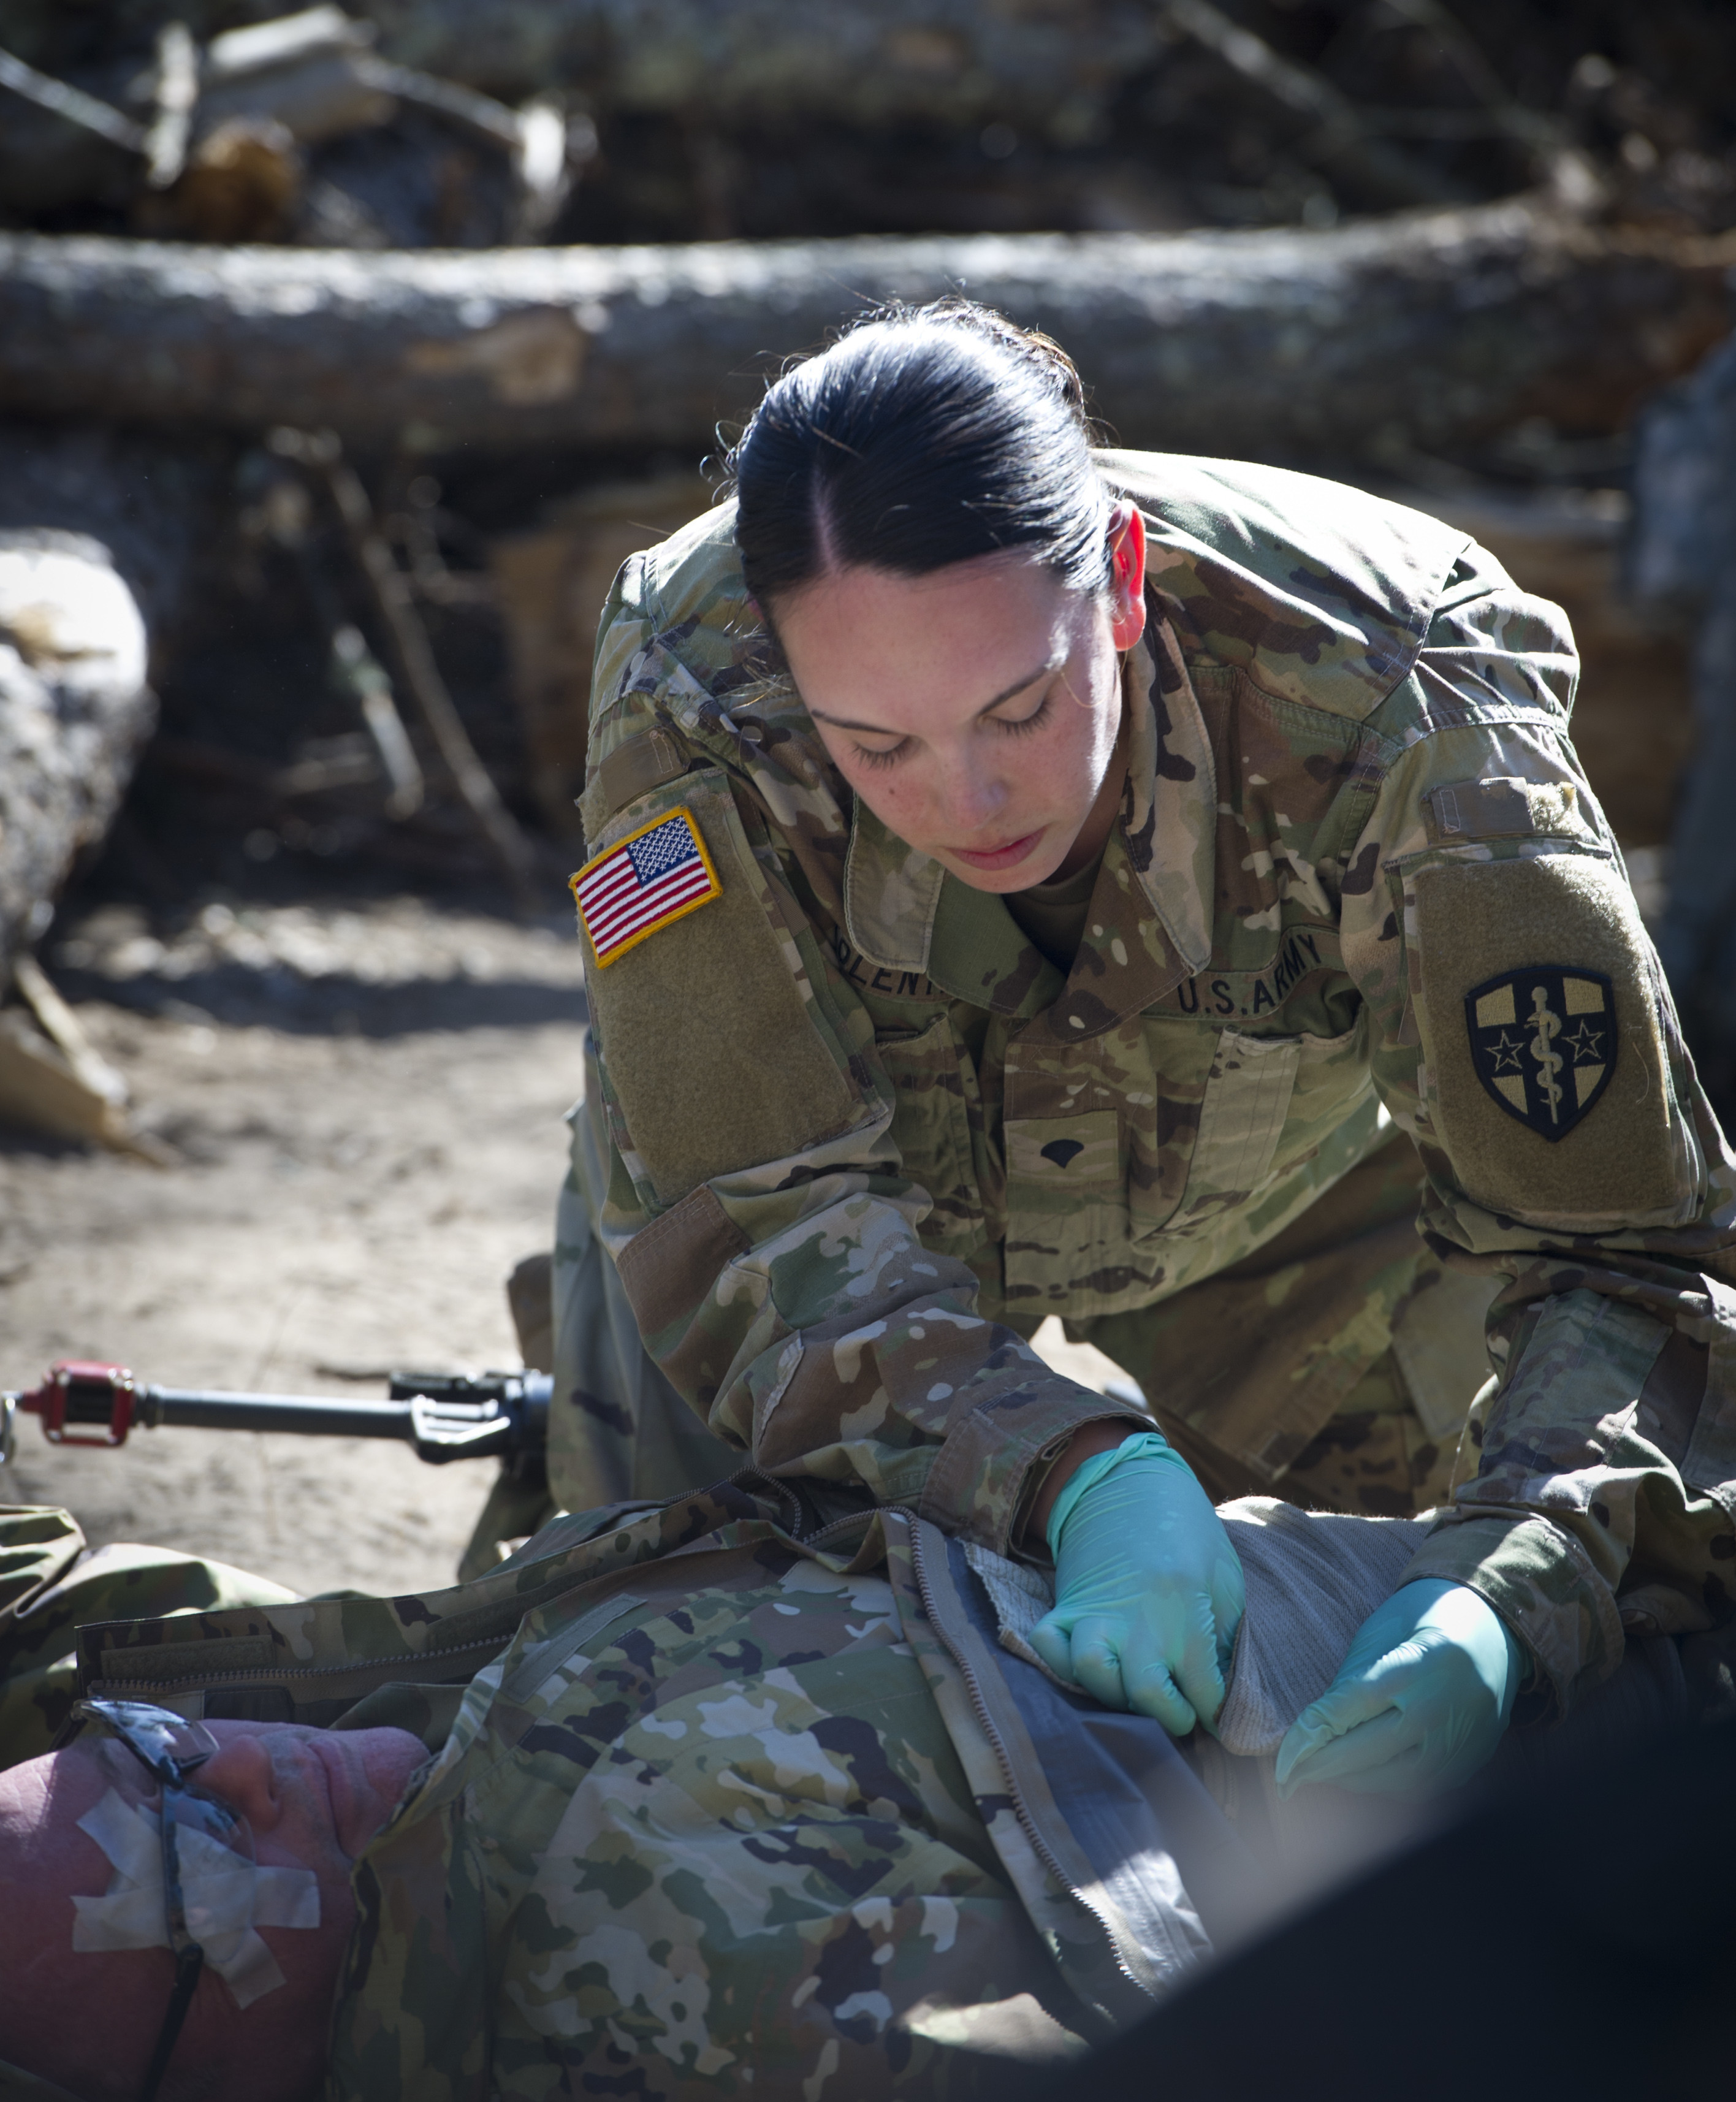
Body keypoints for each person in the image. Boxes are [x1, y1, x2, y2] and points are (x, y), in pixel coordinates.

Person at [547, 297, 1736, 1796]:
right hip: (815, 1266)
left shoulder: (1407, 695)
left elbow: (1624, 1259)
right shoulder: (686, 677)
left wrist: (1515, 1590)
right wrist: (1064, 1470)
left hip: (1282, 1223)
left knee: (1602, 1707)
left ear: (1120, 580)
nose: (967, 797)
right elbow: (749, 1203)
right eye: (876, 747)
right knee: (652, 1717)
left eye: (1020, 708)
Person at [0, 1485, 1707, 2102]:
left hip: (1426, 1577)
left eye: (140, 1738)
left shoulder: (396, 1752)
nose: (212, 1752)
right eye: (183, 1836)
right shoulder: (643, 2017)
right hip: (1561, 1823)